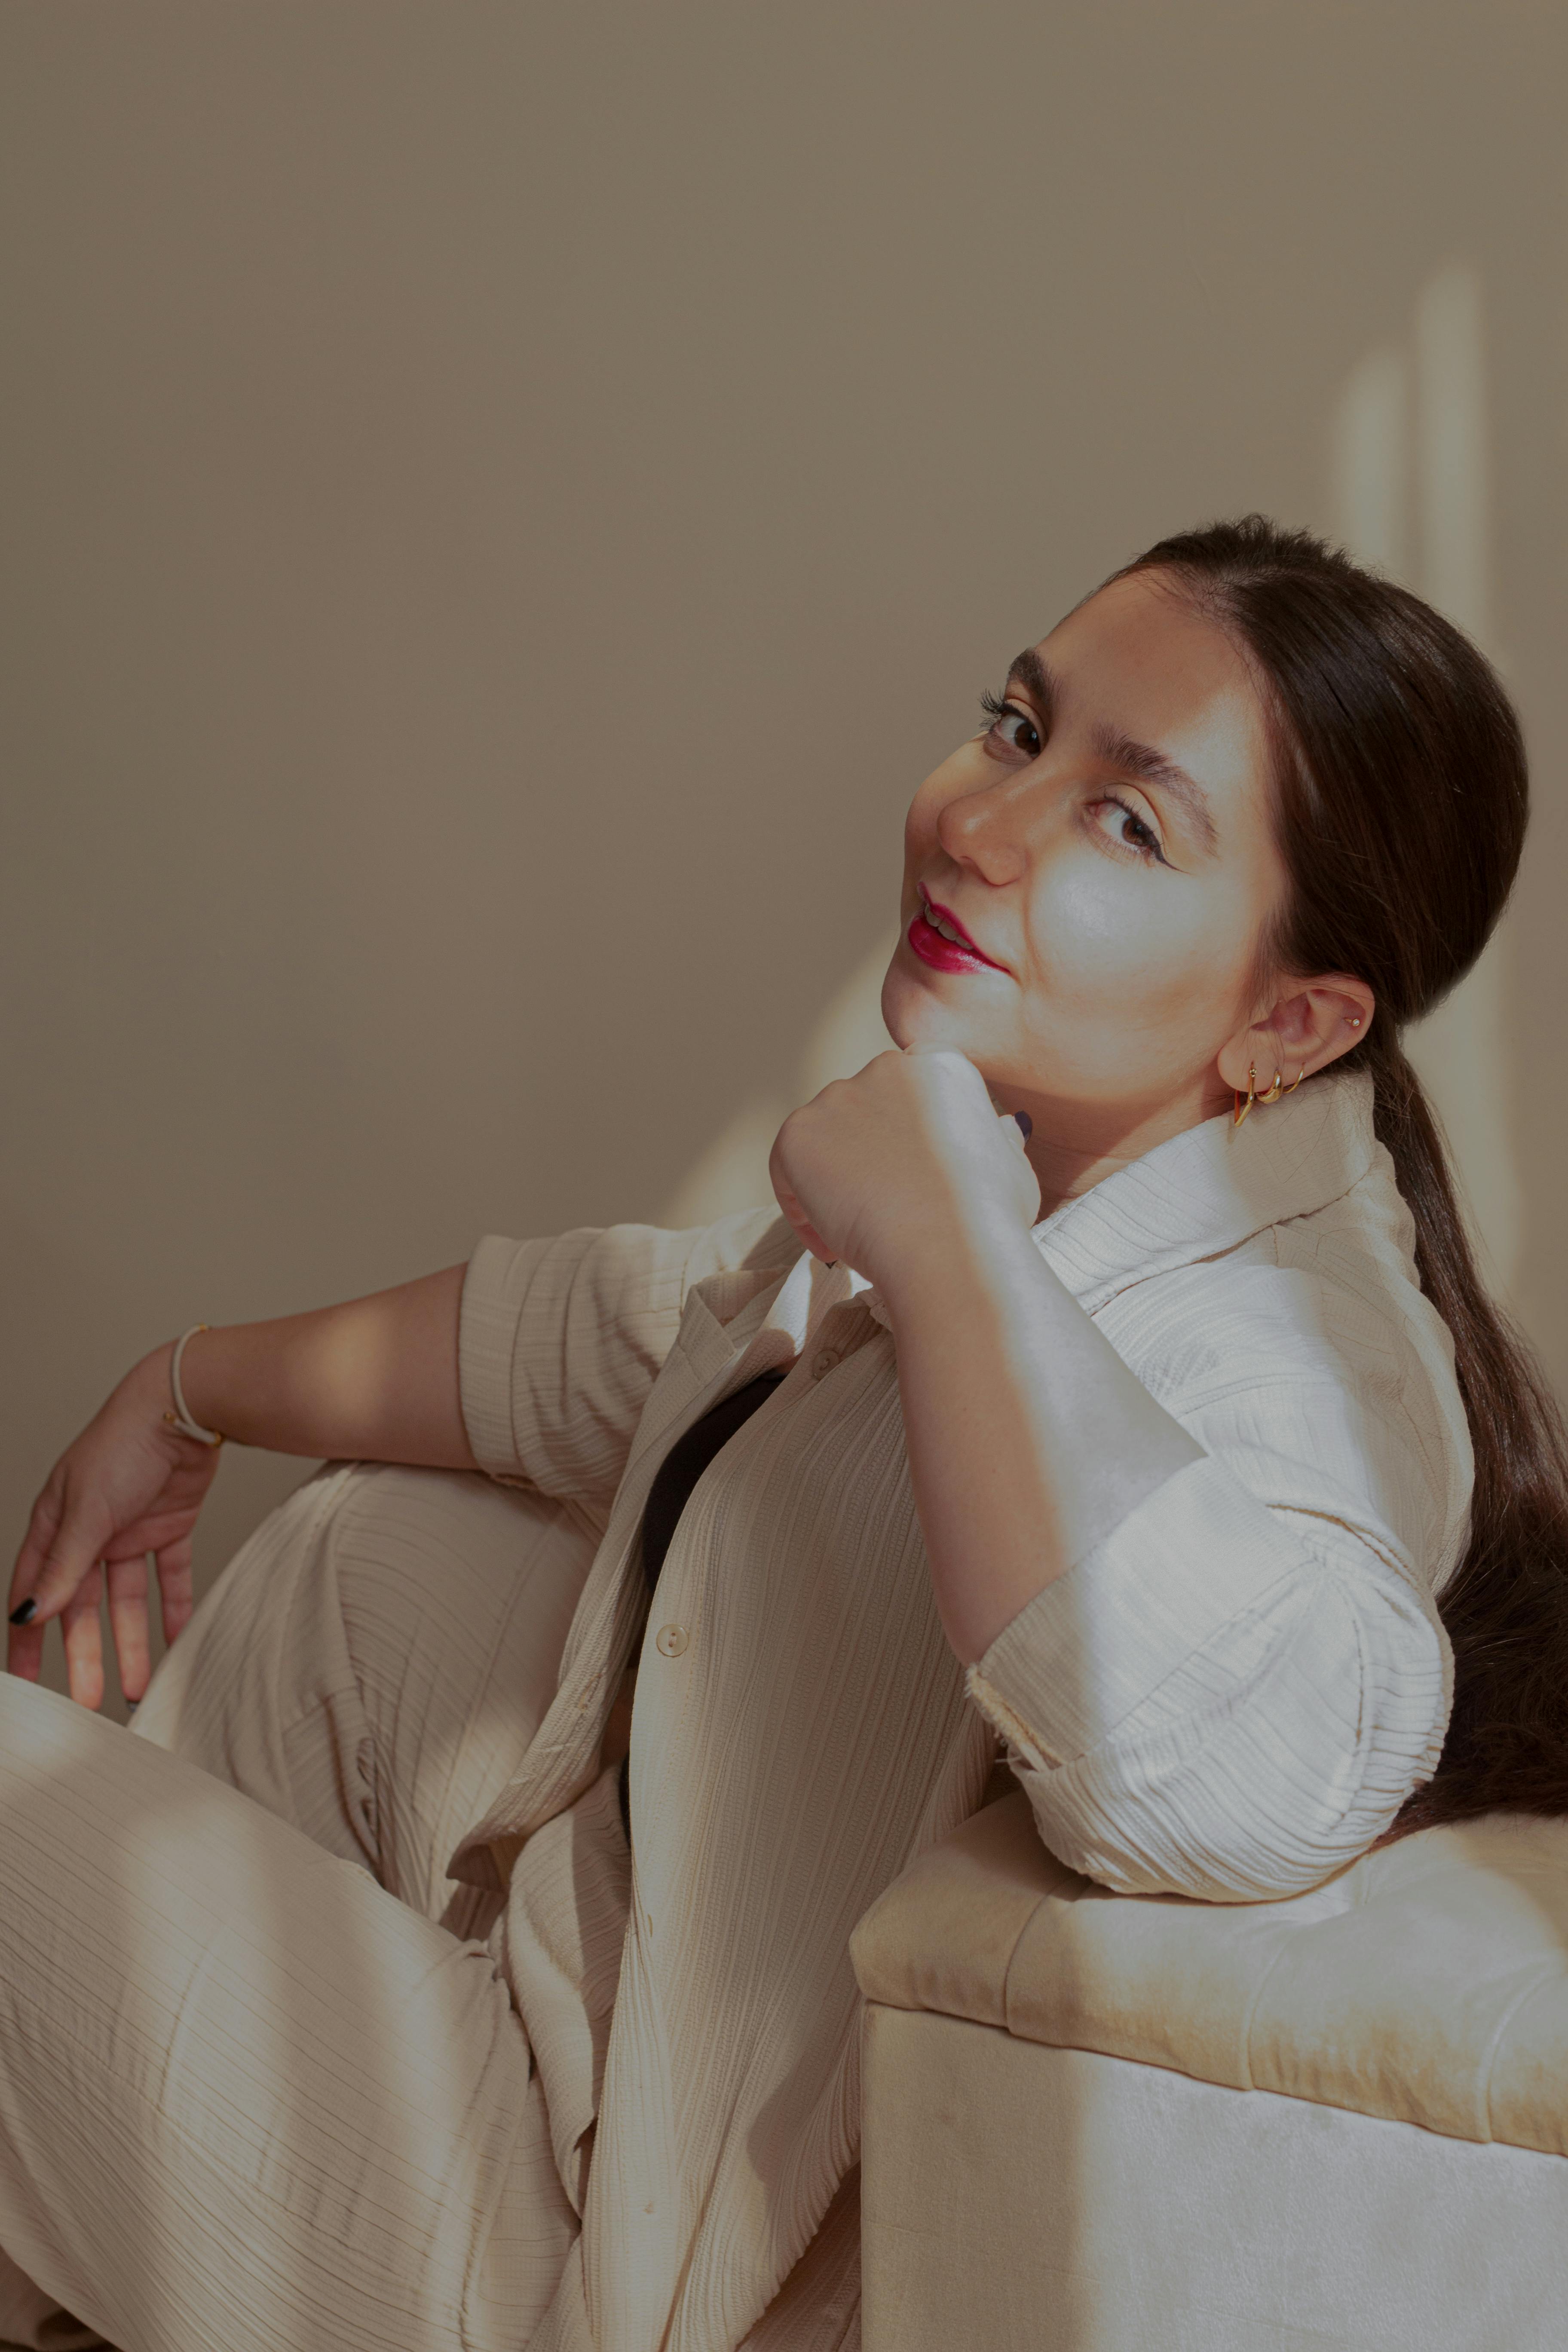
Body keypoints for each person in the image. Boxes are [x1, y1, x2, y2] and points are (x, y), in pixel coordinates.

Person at [4, 516, 1566, 2352]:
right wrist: (179, 1389)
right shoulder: (1105, 1152)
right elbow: (613, 1340)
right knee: (374, 1564)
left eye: (1129, 823)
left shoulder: (1299, 1352)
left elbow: (1245, 1757)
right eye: (1014, 726)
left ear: (1295, 1021)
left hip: (619, 2258)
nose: (982, 824)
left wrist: (942, 1233)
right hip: (596, 2036)